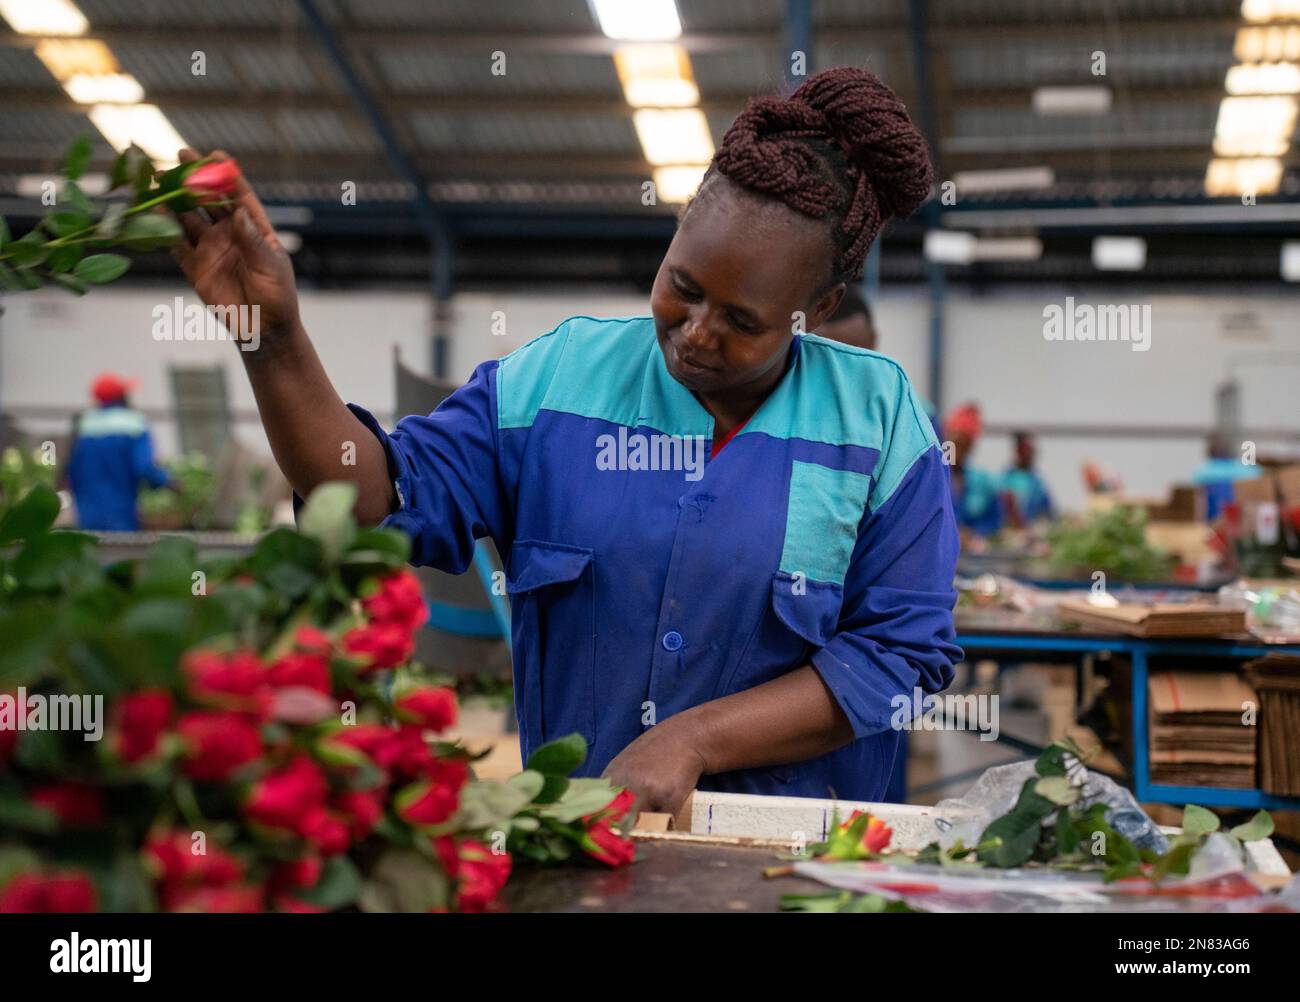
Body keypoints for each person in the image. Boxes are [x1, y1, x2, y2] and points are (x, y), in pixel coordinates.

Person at [169, 67, 962, 813]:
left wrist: (693, 740)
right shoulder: (555, 383)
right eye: (681, 288)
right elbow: (375, 495)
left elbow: (901, 659)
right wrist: (271, 342)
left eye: (743, 322)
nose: (695, 335)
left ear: (817, 310)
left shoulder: (879, 424)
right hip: (590, 847)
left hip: (800, 867)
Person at [66, 373, 170, 531]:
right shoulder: (134, 424)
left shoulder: (84, 426)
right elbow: (144, 467)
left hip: (87, 514)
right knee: (120, 553)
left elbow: (72, 471)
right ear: (121, 397)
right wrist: (167, 481)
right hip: (121, 513)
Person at [945, 403, 1004, 537]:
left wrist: (972, 534)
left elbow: (994, 522)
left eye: (962, 445)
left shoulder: (982, 483)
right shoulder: (935, 479)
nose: (955, 450)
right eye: (953, 444)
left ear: (970, 447)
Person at [1192, 433, 1261, 521]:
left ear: (1209, 453)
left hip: (1213, 520)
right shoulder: (1250, 471)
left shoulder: (1203, 472)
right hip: (1241, 521)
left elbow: (1199, 504)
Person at [1001, 431, 1055, 526]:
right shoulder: (1004, 480)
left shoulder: (1038, 484)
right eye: (1025, 450)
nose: (1029, 455)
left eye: (1031, 451)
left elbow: (1049, 512)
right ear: (1017, 451)